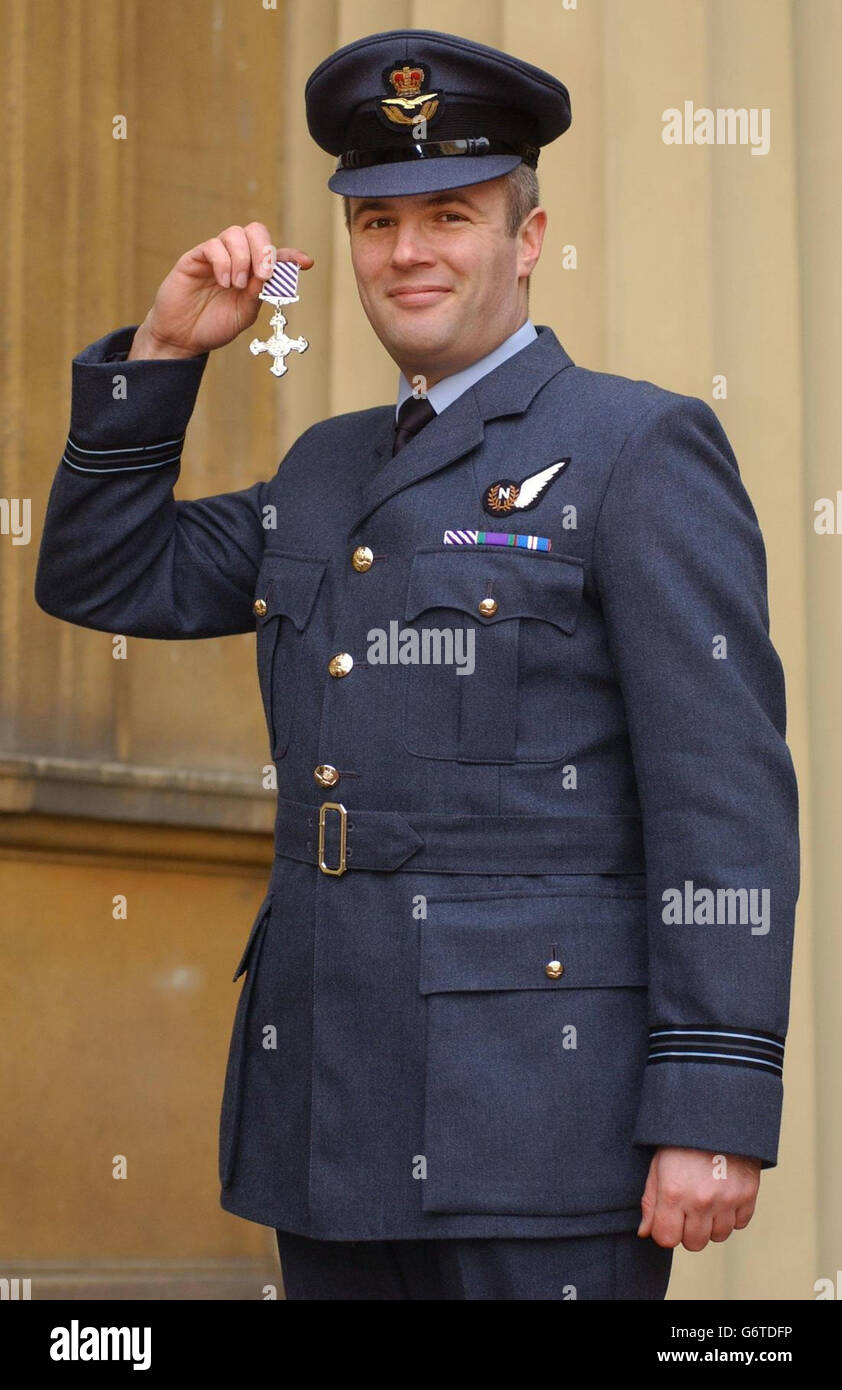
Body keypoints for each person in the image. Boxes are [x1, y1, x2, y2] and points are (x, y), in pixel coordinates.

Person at [34, 28, 799, 1300]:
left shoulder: (635, 447)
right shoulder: (329, 466)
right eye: (377, 223)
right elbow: (105, 577)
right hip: (329, 1107)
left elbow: (720, 794)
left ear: (529, 237)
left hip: (539, 1121)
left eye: (450, 214)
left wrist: (712, 1098)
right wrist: (167, 356)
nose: (408, 254)